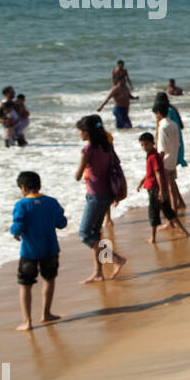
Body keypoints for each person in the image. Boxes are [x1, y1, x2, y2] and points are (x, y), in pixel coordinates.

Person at [9, 170, 67, 330]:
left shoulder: (21, 205)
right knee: (49, 279)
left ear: (23, 187)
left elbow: (18, 225)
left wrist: (15, 233)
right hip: (50, 249)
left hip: (30, 252)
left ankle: (27, 321)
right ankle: (46, 313)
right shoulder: (51, 202)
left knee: (25, 285)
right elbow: (62, 223)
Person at [74, 114, 127, 282]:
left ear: (86, 132)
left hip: (95, 195)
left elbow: (77, 175)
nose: (78, 134)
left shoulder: (87, 150)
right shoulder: (106, 145)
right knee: (95, 233)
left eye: (80, 131)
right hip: (108, 193)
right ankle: (98, 272)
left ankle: (116, 259)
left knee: (84, 234)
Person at [137, 132, 188, 242]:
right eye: (142, 145)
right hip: (156, 188)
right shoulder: (153, 155)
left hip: (154, 189)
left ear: (153, 143)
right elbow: (150, 172)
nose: (144, 147)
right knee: (168, 211)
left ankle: (153, 237)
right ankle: (184, 231)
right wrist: (142, 181)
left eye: (146, 144)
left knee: (153, 213)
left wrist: (161, 190)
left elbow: (158, 173)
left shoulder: (153, 157)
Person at [152, 99, 185, 214]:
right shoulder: (174, 124)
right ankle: (174, 211)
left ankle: (170, 216)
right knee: (171, 187)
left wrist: (157, 164)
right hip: (173, 159)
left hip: (165, 161)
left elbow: (161, 149)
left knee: (165, 190)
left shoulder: (162, 127)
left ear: (159, 113)